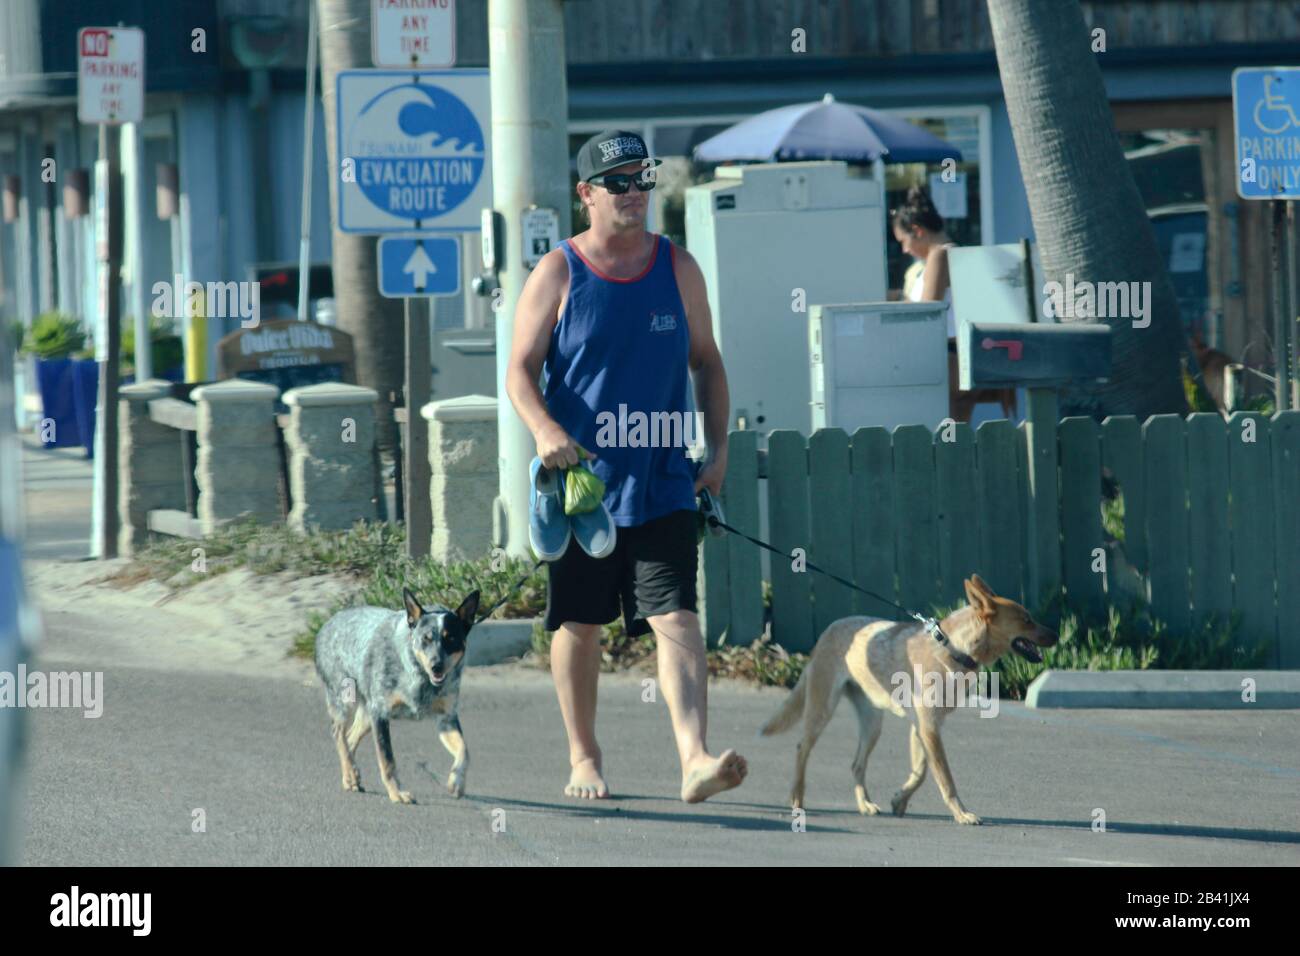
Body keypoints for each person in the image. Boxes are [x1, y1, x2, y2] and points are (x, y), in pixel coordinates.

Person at [506, 130, 747, 803]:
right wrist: (546, 430)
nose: (635, 192)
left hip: (665, 479)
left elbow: (709, 361)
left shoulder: (678, 268)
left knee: (677, 614)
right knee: (580, 624)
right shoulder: (558, 273)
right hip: (584, 490)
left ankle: (694, 756)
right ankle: (584, 757)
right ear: (586, 195)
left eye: (643, 178)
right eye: (619, 182)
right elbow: (518, 373)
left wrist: (718, 449)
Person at [891, 186, 1015, 422]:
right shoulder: (948, 254)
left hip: (950, 358)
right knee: (956, 434)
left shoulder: (939, 256)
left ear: (917, 230)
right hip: (959, 356)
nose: (905, 249)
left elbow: (927, 312)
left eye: (904, 241)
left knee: (947, 433)